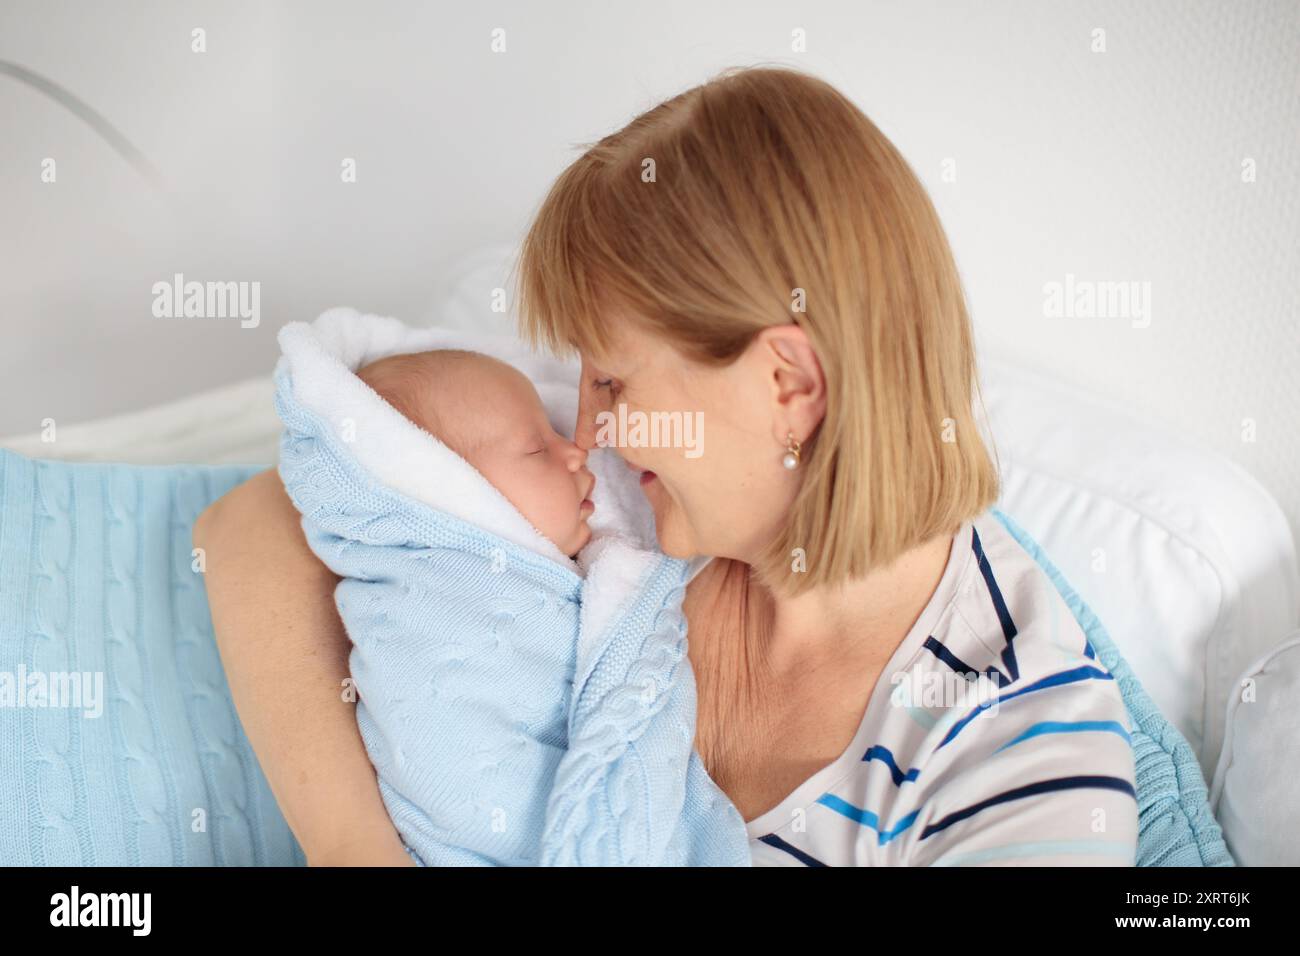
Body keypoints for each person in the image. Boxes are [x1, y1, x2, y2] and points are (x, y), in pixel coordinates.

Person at [195, 65, 1137, 866]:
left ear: (787, 384)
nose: (589, 426)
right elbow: (258, 524)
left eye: (612, 378)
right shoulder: (623, 495)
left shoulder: (1017, 760)